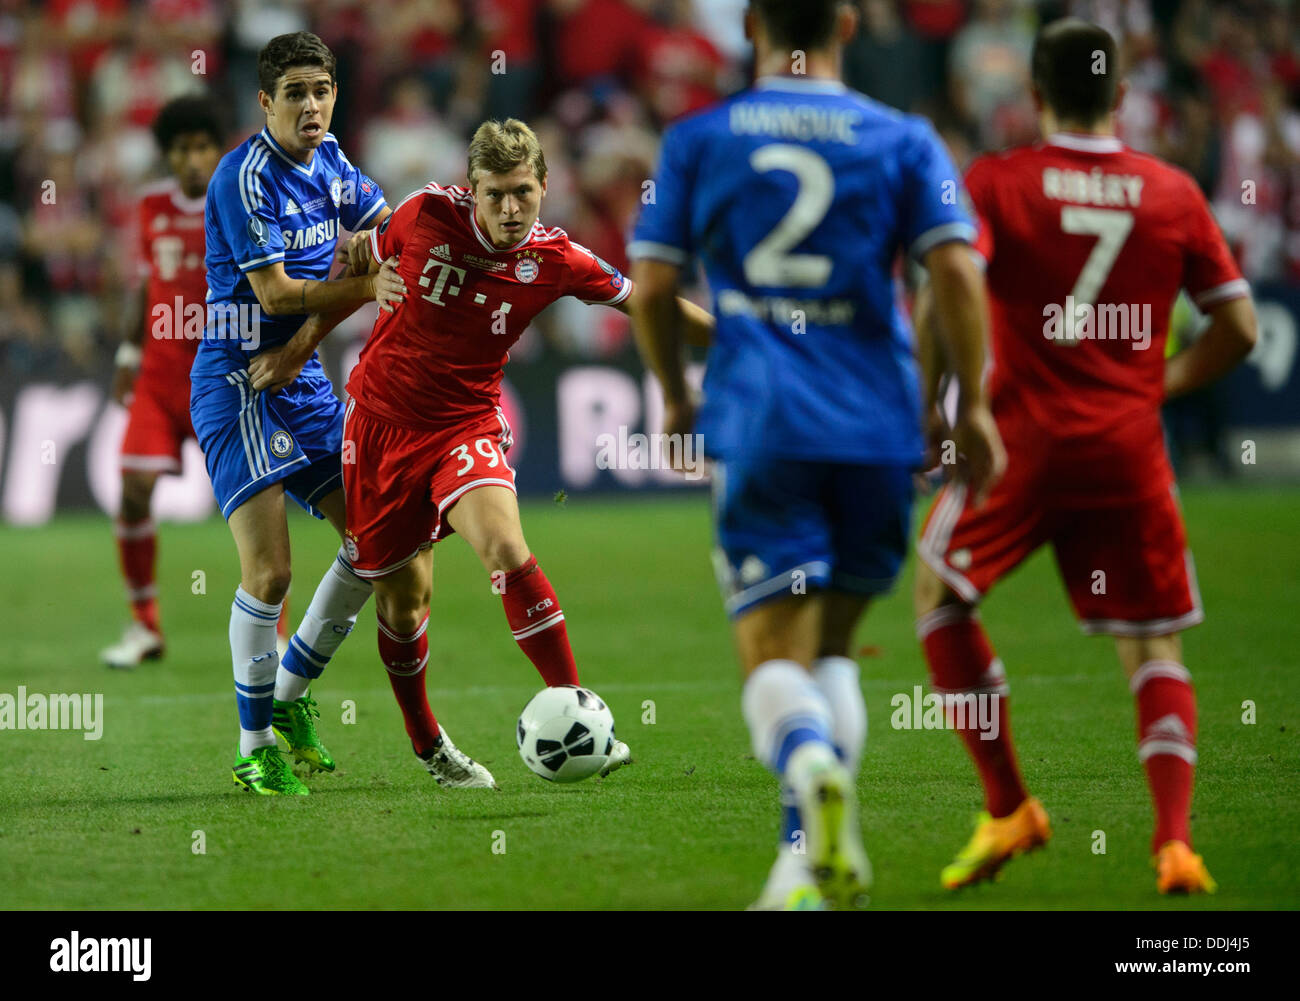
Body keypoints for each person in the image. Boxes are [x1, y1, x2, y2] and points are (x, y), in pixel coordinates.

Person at [628, 0, 1002, 908]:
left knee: (771, 655)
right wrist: (966, 404)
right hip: (876, 425)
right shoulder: (905, 138)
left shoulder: (700, 139)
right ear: (845, 19)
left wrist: (677, 394)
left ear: (750, 23)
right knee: (834, 643)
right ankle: (805, 866)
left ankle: (806, 768)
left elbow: (651, 284)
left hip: (763, 419)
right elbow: (954, 271)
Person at [911, 18, 1257, 895]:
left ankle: (1009, 805)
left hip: (1023, 443)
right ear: (1122, 96)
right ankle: (1175, 843)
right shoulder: (1171, 191)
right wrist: (1158, 385)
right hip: (1129, 451)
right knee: (1153, 647)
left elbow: (949, 282)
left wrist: (938, 406)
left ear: (1034, 94)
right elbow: (1239, 328)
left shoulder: (997, 181)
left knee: (940, 592)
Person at [340, 118, 714, 785]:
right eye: (494, 195)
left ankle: (582, 714)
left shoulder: (556, 257)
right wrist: (363, 284)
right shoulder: (423, 214)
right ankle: (427, 741)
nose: (510, 209)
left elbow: (648, 305)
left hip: (466, 426)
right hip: (382, 427)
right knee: (404, 604)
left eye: (523, 192)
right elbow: (356, 252)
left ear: (545, 186)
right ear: (471, 191)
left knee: (507, 549)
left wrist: (747, 342)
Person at [192, 30, 396, 796]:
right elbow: (276, 296)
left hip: (299, 372)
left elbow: (388, 242)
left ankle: (288, 696)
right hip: (239, 376)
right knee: (271, 572)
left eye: (322, 91)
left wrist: (329, 316)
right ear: (265, 103)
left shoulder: (334, 161)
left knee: (375, 541)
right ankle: (253, 748)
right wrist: (363, 285)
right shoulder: (244, 178)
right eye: (297, 94)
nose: (312, 106)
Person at [102, 95, 240, 669]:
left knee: (255, 507)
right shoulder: (150, 205)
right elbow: (142, 285)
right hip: (159, 376)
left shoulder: (236, 202)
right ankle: (144, 626)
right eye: (181, 149)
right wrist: (129, 352)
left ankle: (275, 633)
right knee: (132, 492)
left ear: (216, 148)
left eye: (202, 146)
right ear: (168, 153)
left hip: (221, 375)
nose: (192, 159)